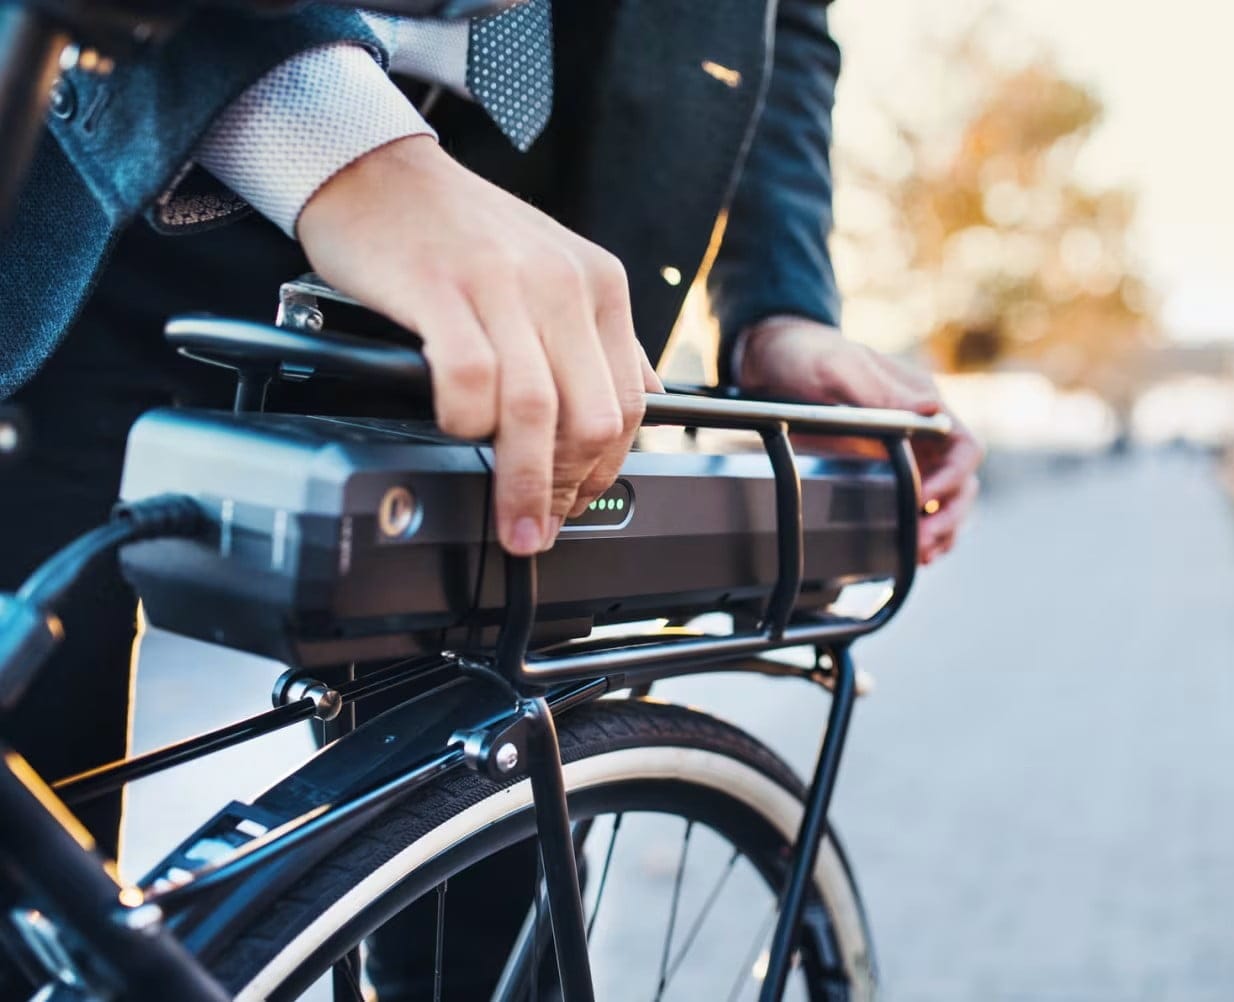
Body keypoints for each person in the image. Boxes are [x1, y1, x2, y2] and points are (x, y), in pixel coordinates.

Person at [0, 1, 982, 996]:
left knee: (491, 885)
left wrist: (782, 307)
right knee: (31, 861)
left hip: (526, 233)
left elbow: (781, 23)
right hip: (102, 190)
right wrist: (329, 135)